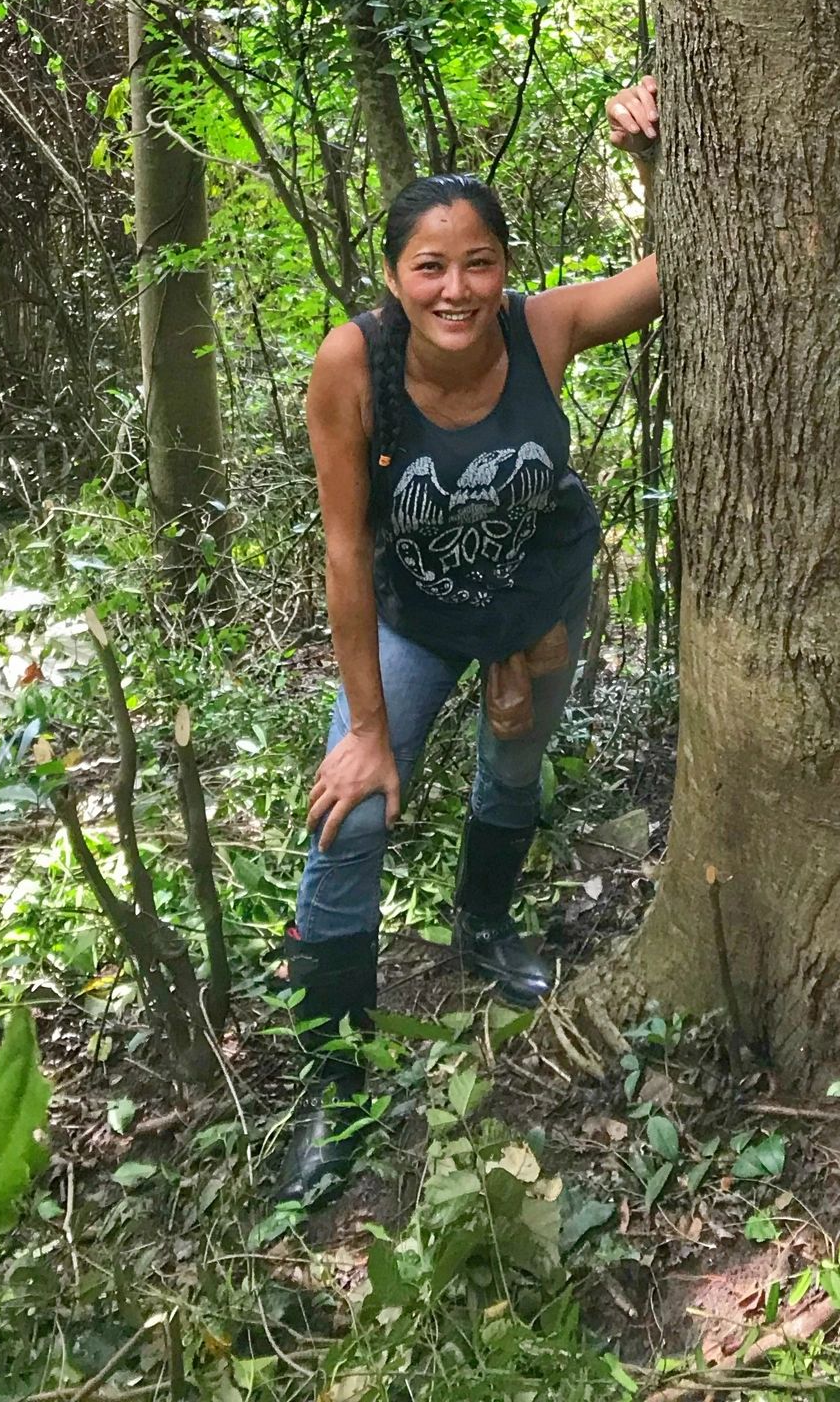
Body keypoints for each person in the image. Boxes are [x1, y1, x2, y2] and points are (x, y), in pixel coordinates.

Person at [277, 76, 662, 1204]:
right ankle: (335, 1089)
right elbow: (347, 550)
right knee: (347, 823)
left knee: (517, 765)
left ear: (505, 266)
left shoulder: (543, 326)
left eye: (479, 260)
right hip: (419, 614)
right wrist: (366, 729)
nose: (457, 287)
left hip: (537, 597)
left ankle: (483, 924)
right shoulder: (354, 365)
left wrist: (651, 162)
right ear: (396, 277)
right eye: (431, 266)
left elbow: (664, 276)